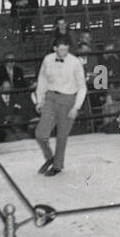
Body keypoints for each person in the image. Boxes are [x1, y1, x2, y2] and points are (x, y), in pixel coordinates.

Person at [34, 36, 86, 176]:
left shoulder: (75, 62)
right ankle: (50, 157)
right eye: (61, 50)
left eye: (66, 50)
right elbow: (42, 79)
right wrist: (40, 100)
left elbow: (82, 87)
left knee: (62, 135)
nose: (64, 53)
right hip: (50, 98)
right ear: (55, 48)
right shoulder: (47, 59)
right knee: (40, 134)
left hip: (68, 100)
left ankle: (57, 165)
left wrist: (76, 107)